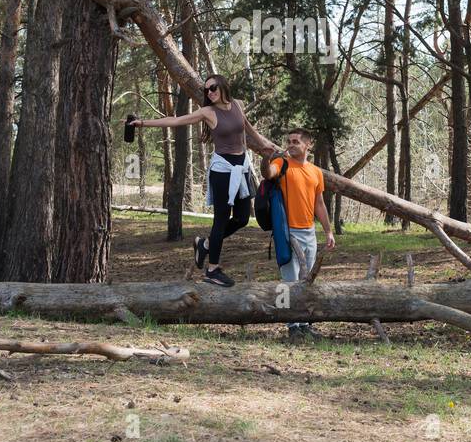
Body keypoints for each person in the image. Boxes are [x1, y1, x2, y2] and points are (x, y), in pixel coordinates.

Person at [132, 74, 280, 287]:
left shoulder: (237, 104)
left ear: (222, 86)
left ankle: (205, 244)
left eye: (212, 88)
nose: (209, 92)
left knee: (242, 218)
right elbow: (175, 121)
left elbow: (248, 128)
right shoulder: (207, 112)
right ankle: (212, 270)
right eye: (206, 90)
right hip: (222, 170)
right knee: (221, 219)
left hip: (242, 167)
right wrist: (142, 123)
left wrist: (264, 145)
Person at [265, 127, 336, 339]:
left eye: (296, 141)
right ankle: (291, 326)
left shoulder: (315, 172)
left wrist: (328, 231)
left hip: (309, 232)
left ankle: (304, 324)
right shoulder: (282, 164)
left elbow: (320, 204)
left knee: (306, 279)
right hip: (287, 231)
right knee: (289, 279)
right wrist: (267, 159)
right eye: (289, 141)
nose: (291, 144)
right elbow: (268, 173)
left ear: (308, 145)